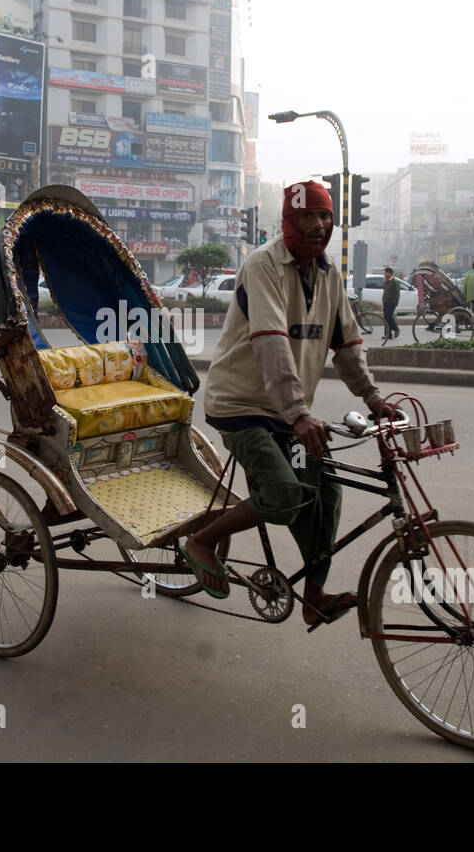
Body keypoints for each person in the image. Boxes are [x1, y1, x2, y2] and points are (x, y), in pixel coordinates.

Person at [181, 179, 391, 626]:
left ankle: (314, 598)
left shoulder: (330, 273)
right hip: (242, 406)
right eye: (307, 217)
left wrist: (374, 397)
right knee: (282, 496)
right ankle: (202, 541)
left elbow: (348, 344)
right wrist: (298, 414)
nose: (318, 226)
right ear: (288, 221)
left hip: (290, 413)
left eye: (324, 216)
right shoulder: (263, 266)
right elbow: (272, 344)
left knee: (325, 494)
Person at [381, 266, 401, 340]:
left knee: (388, 316)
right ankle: (388, 334)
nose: (385, 274)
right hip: (386, 302)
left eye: (386, 272)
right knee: (386, 318)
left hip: (391, 302)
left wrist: (395, 302)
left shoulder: (395, 282)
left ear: (390, 273)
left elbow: (397, 294)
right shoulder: (386, 281)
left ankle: (396, 329)